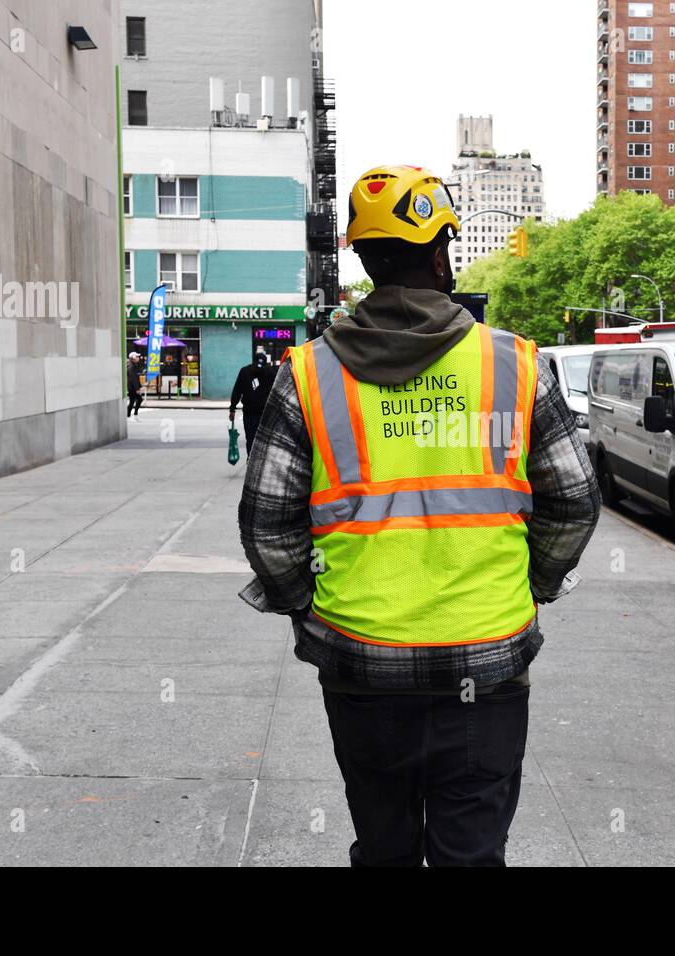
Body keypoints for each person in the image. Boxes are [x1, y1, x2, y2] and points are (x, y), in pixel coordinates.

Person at [238, 165, 600, 866]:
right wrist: (533, 584)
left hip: (361, 663)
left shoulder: (309, 373)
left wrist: (307, 610)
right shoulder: (515, 366)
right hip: (486, 659)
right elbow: (575, 501)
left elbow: (265, 523)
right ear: (441, 256)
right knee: (471, 852)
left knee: (385, 846)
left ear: (366, 260)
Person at [229, 352, 272, 454]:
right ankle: (250, 460)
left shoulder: (269, 373)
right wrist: (232, 408)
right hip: (249, 413)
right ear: (253, 363)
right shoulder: (245, 372)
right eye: (256, 366)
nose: (258, 369)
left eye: (261, 367)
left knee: (263, 441)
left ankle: (260, 463)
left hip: (264, 413)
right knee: (250, 439)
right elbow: (237, 390)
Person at [126, 352, 144, 417]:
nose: (138, 358)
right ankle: (133, 413)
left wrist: (139, 386)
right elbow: (133, 379)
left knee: (132, 401)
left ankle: (129, 414)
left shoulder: (133, 365)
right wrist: (137, 389)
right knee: (139, 399)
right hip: (132, 388)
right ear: (133, 357)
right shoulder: (131, 367)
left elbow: (136, 377)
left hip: (132, 387)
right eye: (137, 356)